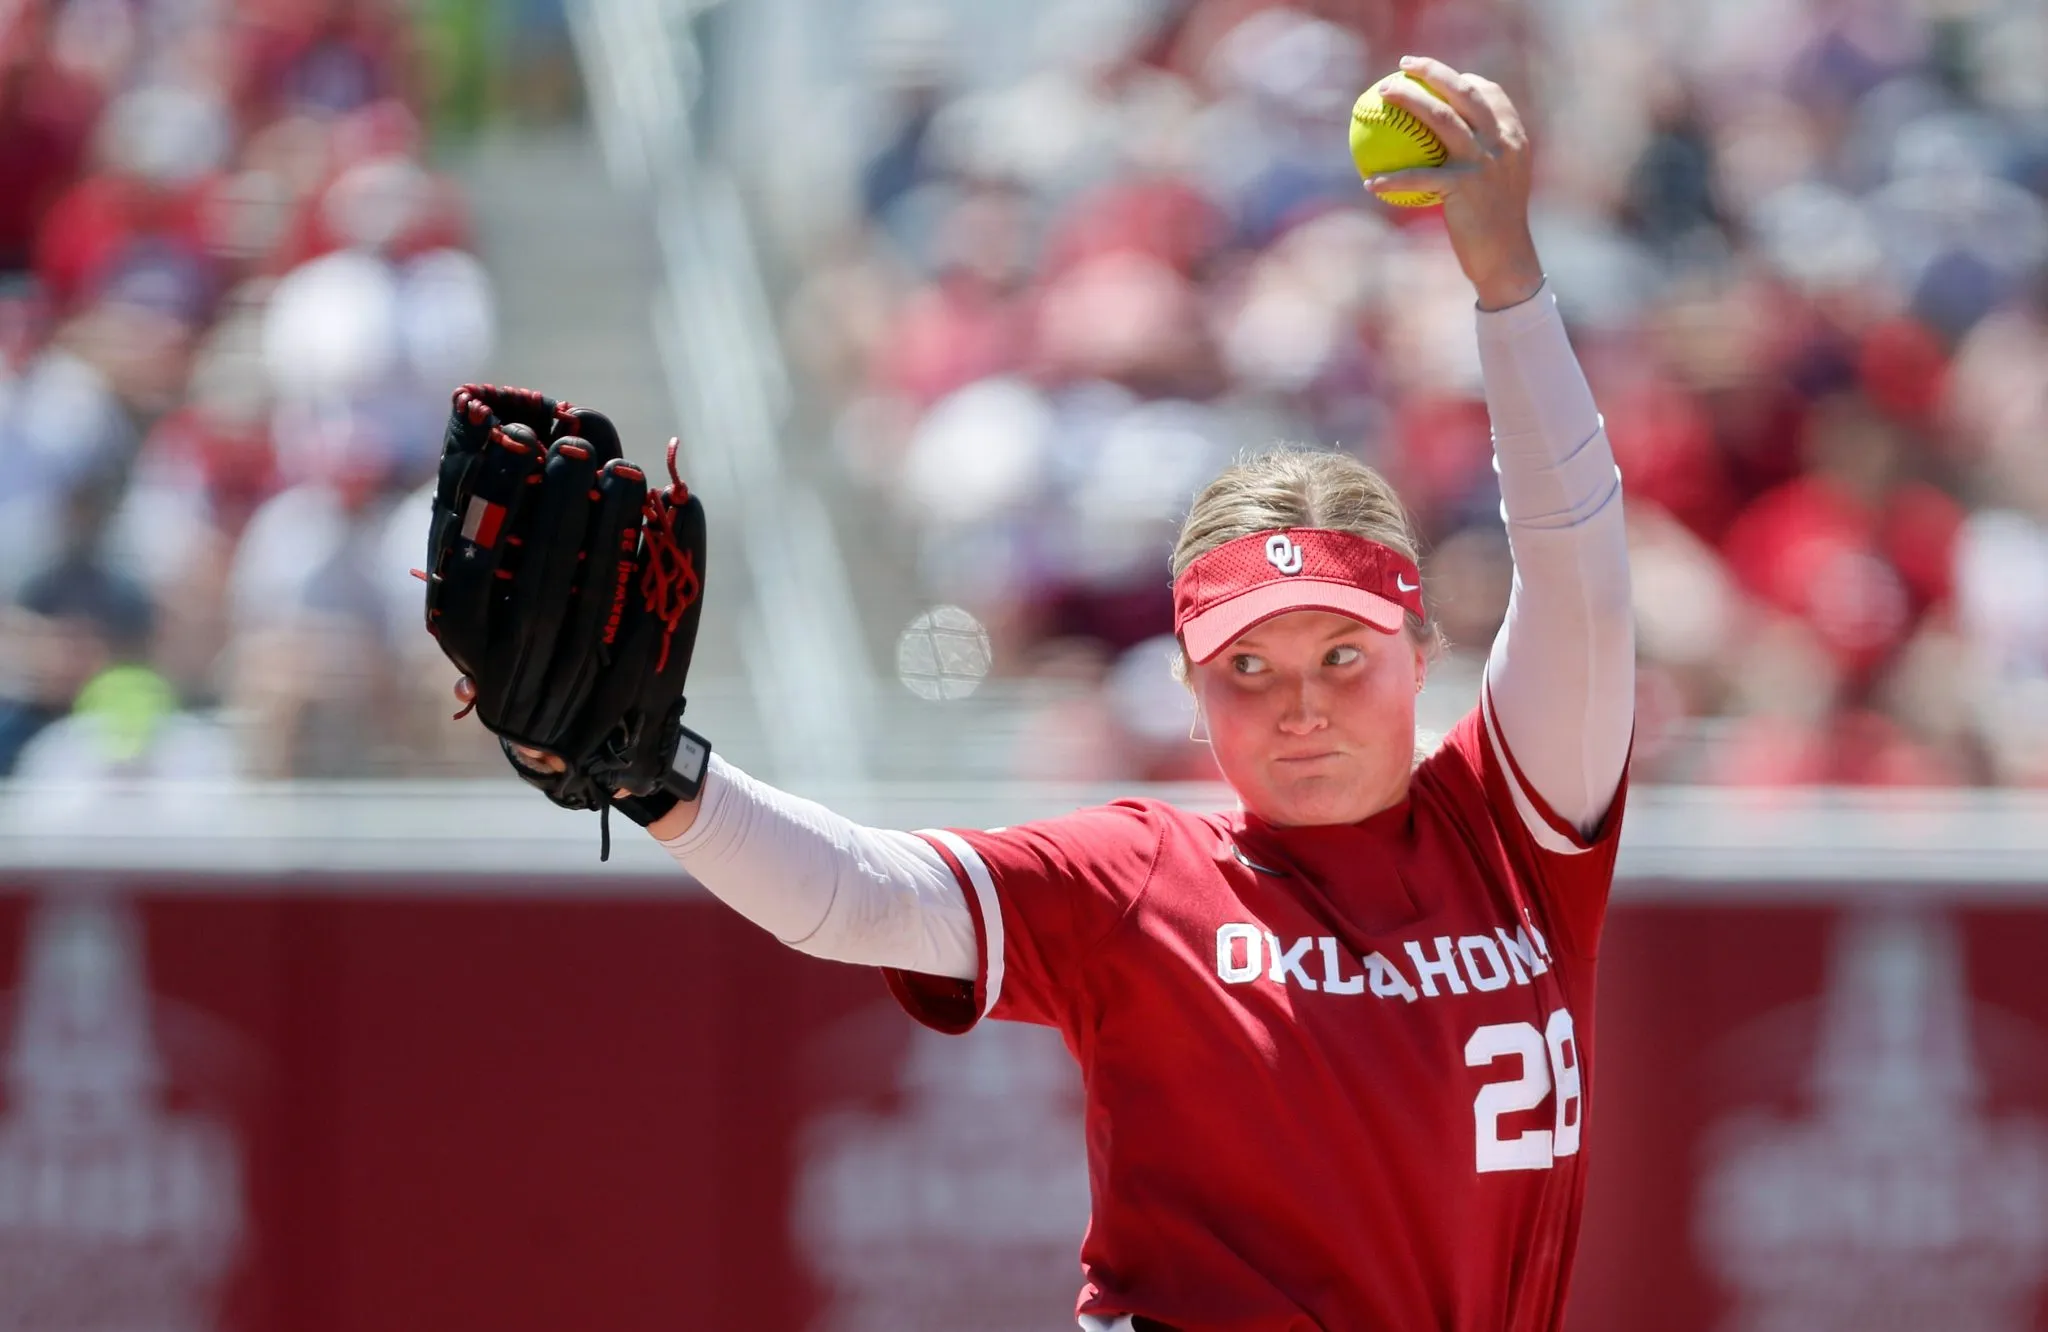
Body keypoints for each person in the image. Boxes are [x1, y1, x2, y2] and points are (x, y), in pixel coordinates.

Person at [491, 56, 1633, 1331]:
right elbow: (863, 896)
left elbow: (1581, 579)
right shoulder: (1144, 881)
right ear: (1190, 693)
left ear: (1420, 652)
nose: (1298, 704)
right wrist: (661, 779)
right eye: (1246, 668)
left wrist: (1506, 284)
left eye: (1340, 655)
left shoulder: (1511, 833)